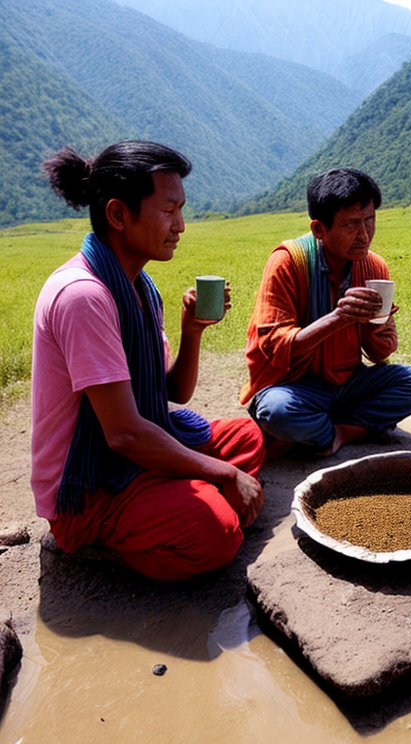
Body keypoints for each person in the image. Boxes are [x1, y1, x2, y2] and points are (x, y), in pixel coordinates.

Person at [32, 140, 265, 581]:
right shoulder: (84, 296)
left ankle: (171, 495)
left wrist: (191, 332)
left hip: (136, 452)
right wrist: (223, 475)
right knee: (216, 532)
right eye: (168, 210)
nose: (180, 225)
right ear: (118, 215)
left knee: (247, 437)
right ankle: (100, 545)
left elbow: (173, 392)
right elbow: (122, 434)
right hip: (92, 484)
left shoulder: (139, 287)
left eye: (182, 210)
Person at [240, 167, 411, 455]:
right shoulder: (288, 262)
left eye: (370, 221)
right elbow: (275, 346)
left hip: (350, 382)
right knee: (277, 411)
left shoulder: (373, 266)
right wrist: (338, 318)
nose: (364, 235)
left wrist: (378, 323)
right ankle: (361, 425)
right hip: (296, 387)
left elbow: (380, 353)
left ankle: (337, 433)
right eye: (351, 225)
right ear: (319, 230)